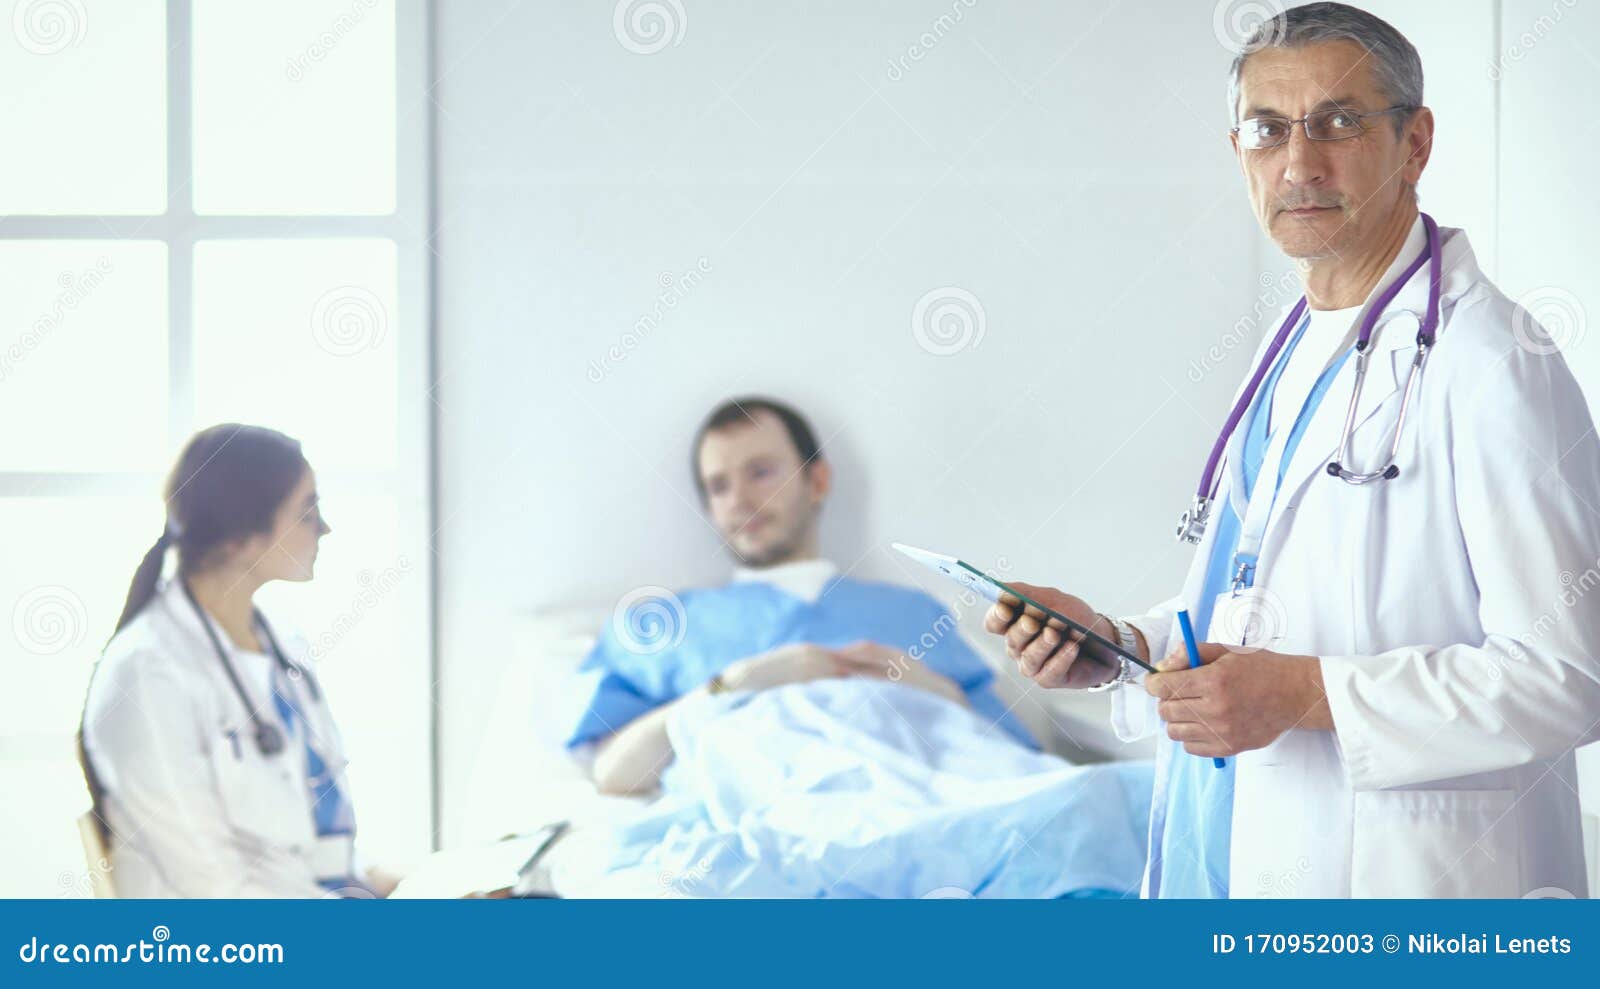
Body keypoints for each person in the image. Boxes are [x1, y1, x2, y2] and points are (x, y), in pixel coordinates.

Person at [984, 2, 1600, 898]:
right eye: (1269, 129)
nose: (1300, 162)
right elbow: (1256, 598)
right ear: (1239, 153)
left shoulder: (1492, 359)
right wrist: (1119, 646)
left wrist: (1309, 696)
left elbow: (1570, 671)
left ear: (1415, 143)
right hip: (1240, 846)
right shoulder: (1293, 338)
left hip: (1413, 881)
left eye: (1340, 123)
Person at [566, 397, 1037, 795]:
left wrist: (935, 691)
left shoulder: (914, 616)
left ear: (817, 482)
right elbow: (612, 775)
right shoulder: (668, 624)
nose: (739, 500)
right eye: (718, 486)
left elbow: (1012, 761)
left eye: (761, 472)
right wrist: (734, 684)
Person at [80, 424, 397, 897]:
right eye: (307, 510)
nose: (324, 527)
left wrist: (389, 883)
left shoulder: (282, 644)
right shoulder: (148, 674)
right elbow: (214, 886)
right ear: (241, 537)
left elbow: (313, 827)